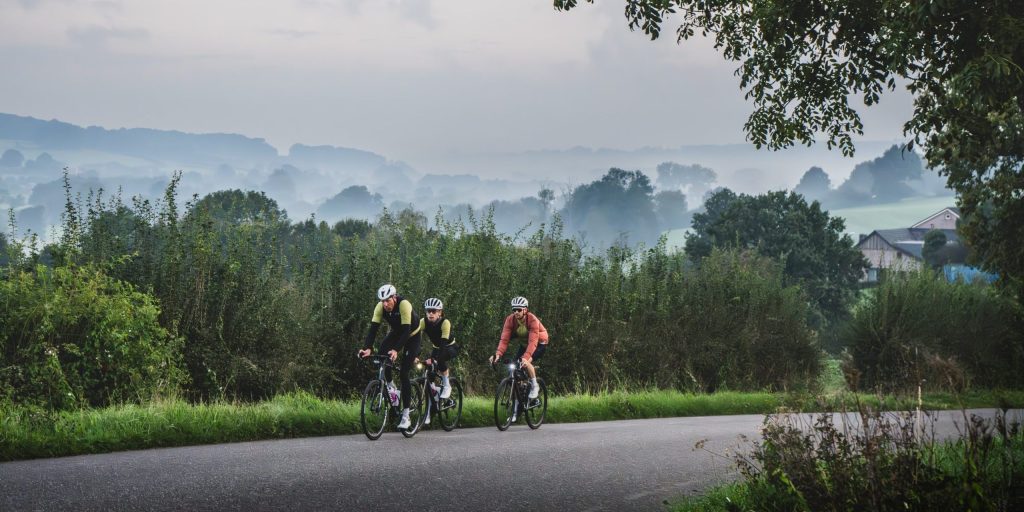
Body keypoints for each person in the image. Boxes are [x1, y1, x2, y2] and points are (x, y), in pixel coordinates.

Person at [357, 284, 423, 430]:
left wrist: (396, 350)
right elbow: (373, 329)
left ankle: (406, 416)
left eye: (388, 300)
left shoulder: (404, 304)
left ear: (394, 297)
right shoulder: (380, 307)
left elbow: (407, 332)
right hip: (397, 333)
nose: (385, 304)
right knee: (382, 356)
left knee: (404, 373)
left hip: (412, 335)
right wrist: (367, 347)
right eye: (382, 301)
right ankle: (392, 387)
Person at [488, 296, 549, 399]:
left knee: (526, 362)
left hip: (539, 344)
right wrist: (498, 354)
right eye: (514, 310)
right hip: (525, 344)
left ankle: (535, 386)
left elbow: (533, 342)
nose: (516, 312)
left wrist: (525, 358)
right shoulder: (510, 320)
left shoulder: (532, 320)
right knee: (516, 367)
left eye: (519, 309)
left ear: (525, 310)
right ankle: (520, 393)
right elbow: (504, 339)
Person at [418, 297, 459, 400]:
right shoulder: (423, 322)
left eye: (434, 311)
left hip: (449, 347)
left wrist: (434, 359)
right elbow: (414, 337)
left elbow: (443, 344)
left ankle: (446, 384)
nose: (431, 313)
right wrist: (415, 353)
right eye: (428, 311)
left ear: (439, 312)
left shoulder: (445, 323)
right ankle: (433, 394)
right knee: (430, 371)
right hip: (436, 347)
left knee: (440, 360)